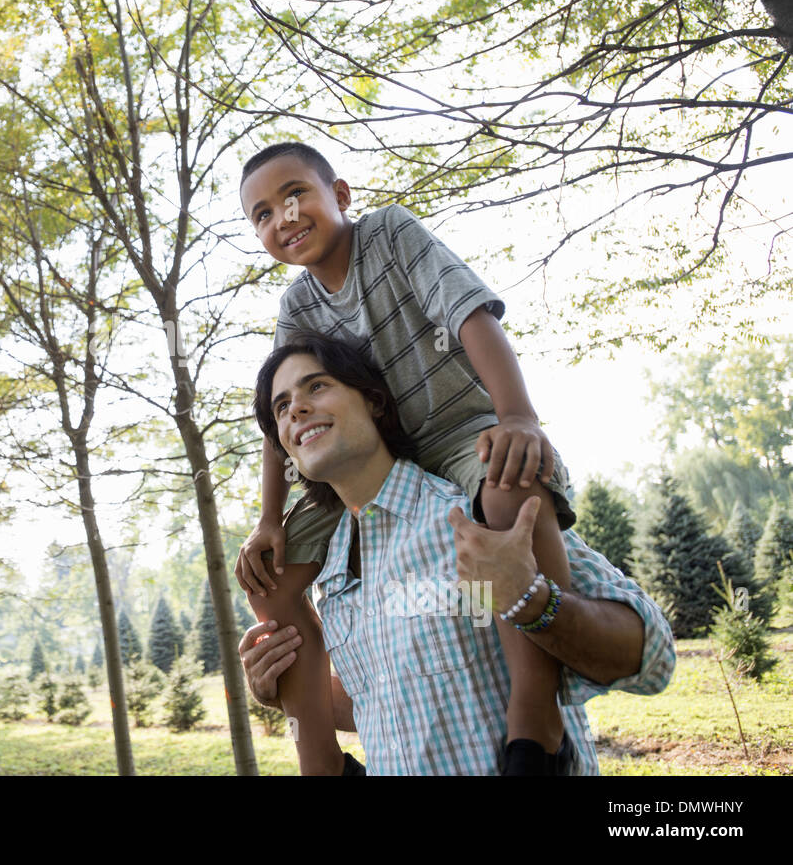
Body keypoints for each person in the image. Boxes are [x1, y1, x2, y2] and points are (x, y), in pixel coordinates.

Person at [238, 141, 579, 774]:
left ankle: (536, 720)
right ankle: (321, 758)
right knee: (271, 576)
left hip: (457, 430)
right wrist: (268, 519)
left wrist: (518, 418)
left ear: (339, 195)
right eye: (260, 214)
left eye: (294, 196)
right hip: (380, 450)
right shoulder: (297, 305)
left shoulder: (390, 235)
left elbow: (470, 312)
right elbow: (276, 406)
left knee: (506, 488)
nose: (281, 218)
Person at [240, 334, 675, 773]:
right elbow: (393, 704)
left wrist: (533, 601)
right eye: (281, 407)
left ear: (374, 402)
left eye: (317, 386)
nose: (296, 408)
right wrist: (285, 689)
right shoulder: (328, 577)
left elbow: (652, 656)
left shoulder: (475, 513)